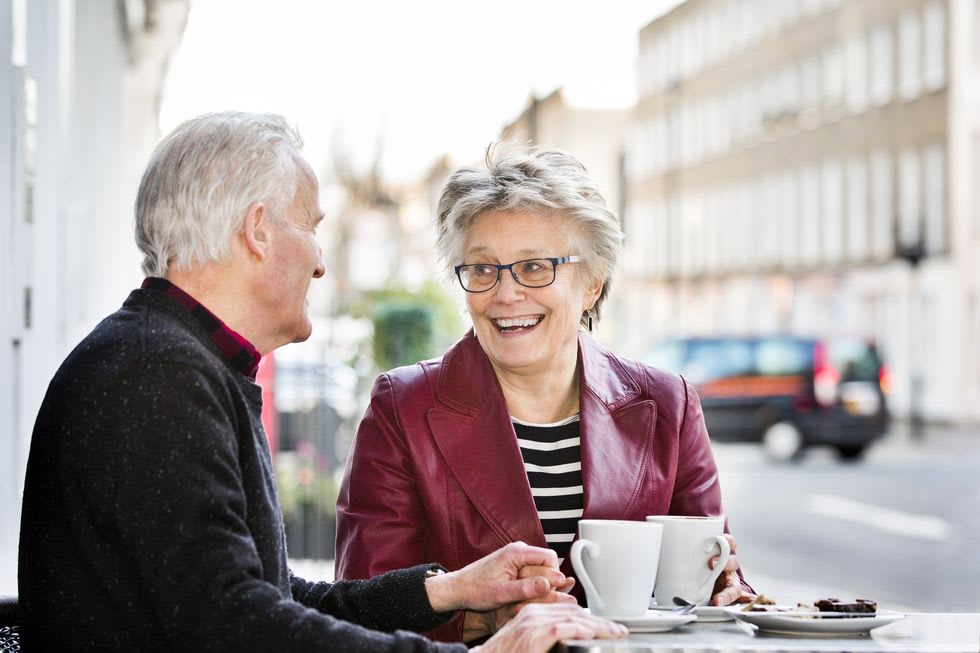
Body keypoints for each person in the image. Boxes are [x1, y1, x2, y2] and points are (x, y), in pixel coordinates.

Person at [17, 113, 626, 652]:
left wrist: (445, 591)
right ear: (258, 231)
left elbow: (266, 594)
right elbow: (232, 625)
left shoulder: (173, 361)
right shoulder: (157, 375)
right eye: (311, 227)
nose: (319, 261)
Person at [335, 142, 756, 642]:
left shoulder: (669, 405)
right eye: (483, 269)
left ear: (593, 281)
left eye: (536, 267)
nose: (507, 293)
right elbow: (363, 609)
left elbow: (716, 578)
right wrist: (478, 621)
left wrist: (731, 594)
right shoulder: (402, 409)